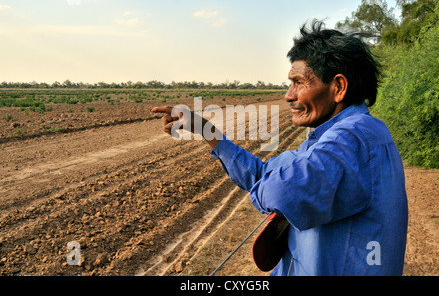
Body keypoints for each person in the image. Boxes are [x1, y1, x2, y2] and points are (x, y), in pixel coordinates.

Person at [151, 20, 408, 276]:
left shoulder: (352, 137)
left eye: (299, 82)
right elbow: (263, 174)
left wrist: (269, 189)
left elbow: (281, 191)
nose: (288, 95)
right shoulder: (341, 136)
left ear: (338, 87)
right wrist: (206, 129)